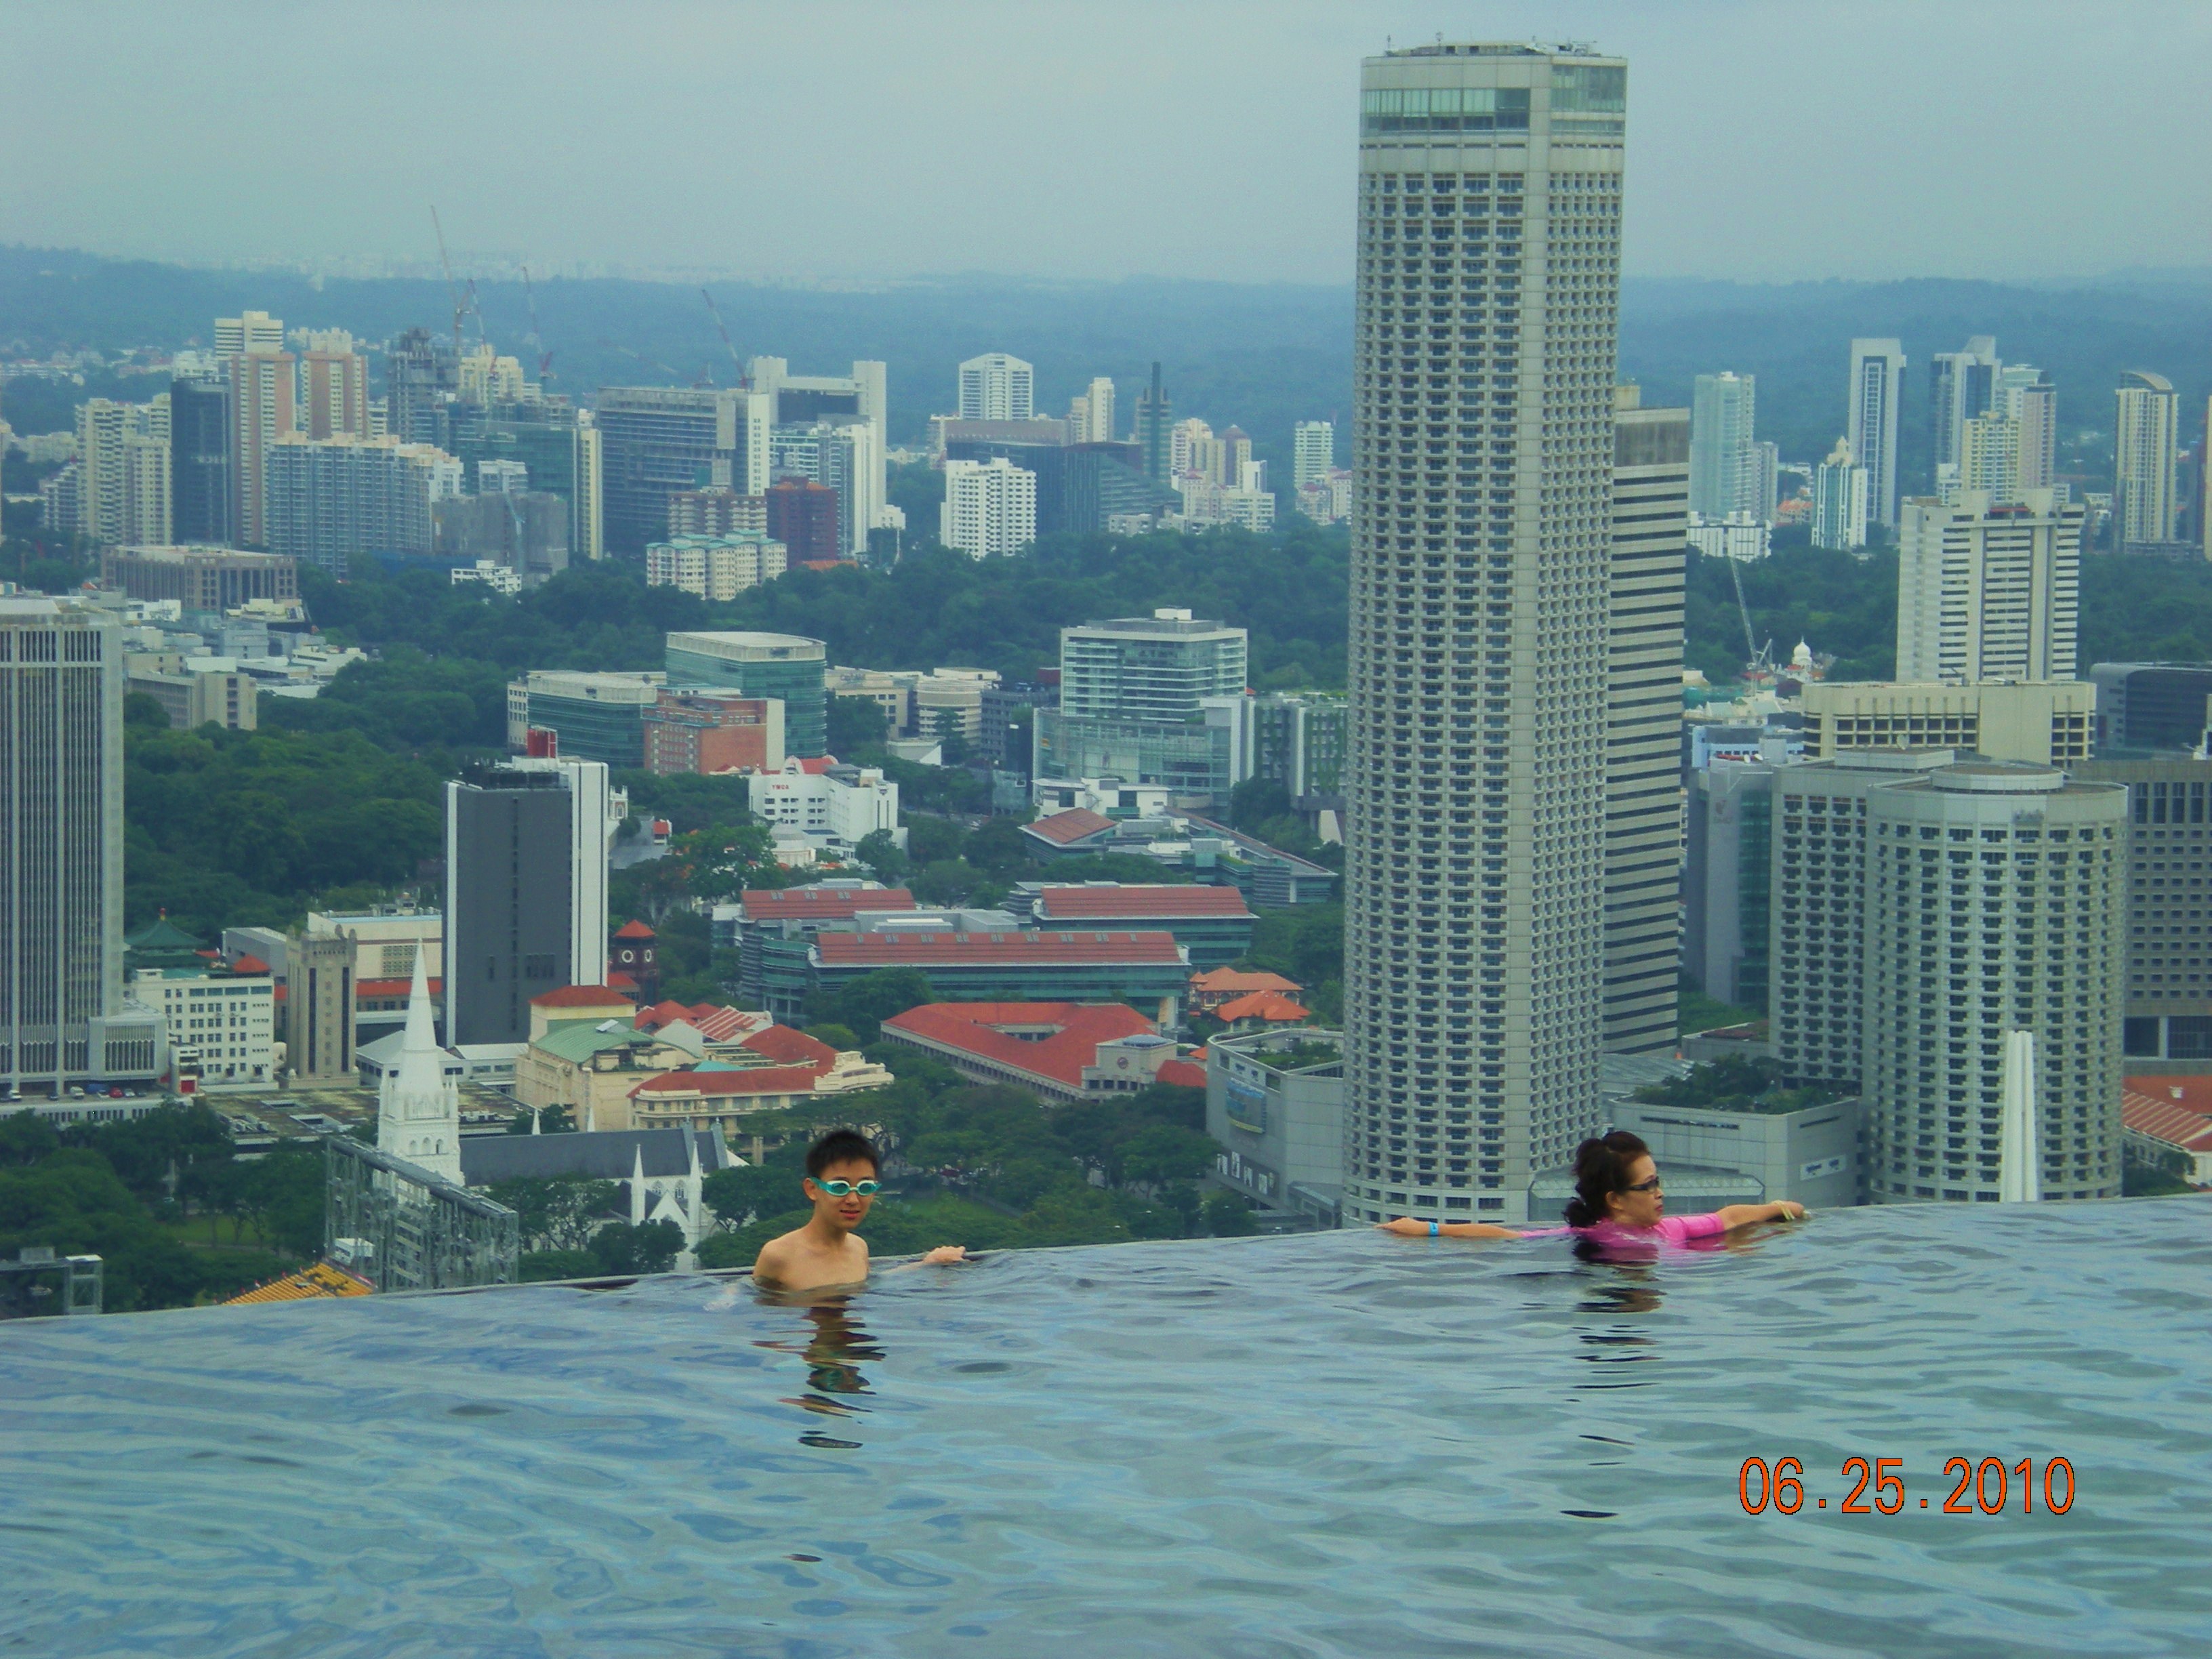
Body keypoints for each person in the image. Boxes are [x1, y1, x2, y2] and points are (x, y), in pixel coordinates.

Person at [1376, 1130, 1805, 1246]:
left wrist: (1777, 1208)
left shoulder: (1672, 1229)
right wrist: (1430, 1230)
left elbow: (1728, 1217)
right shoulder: (1595, 1239)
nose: (1659, 1193)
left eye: (1658, 1182)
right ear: (1615, 1201)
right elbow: (1507, 1237)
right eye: (1648, 1185)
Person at [751, 1128, 968, 1292]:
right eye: (839, 1187)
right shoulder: (779, 1255)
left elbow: (870, 1281)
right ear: (812, 1189)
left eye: (864, 1187)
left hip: (853, 1345)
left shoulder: (858, 1247)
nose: (853, 1200)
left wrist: (927, 1263)